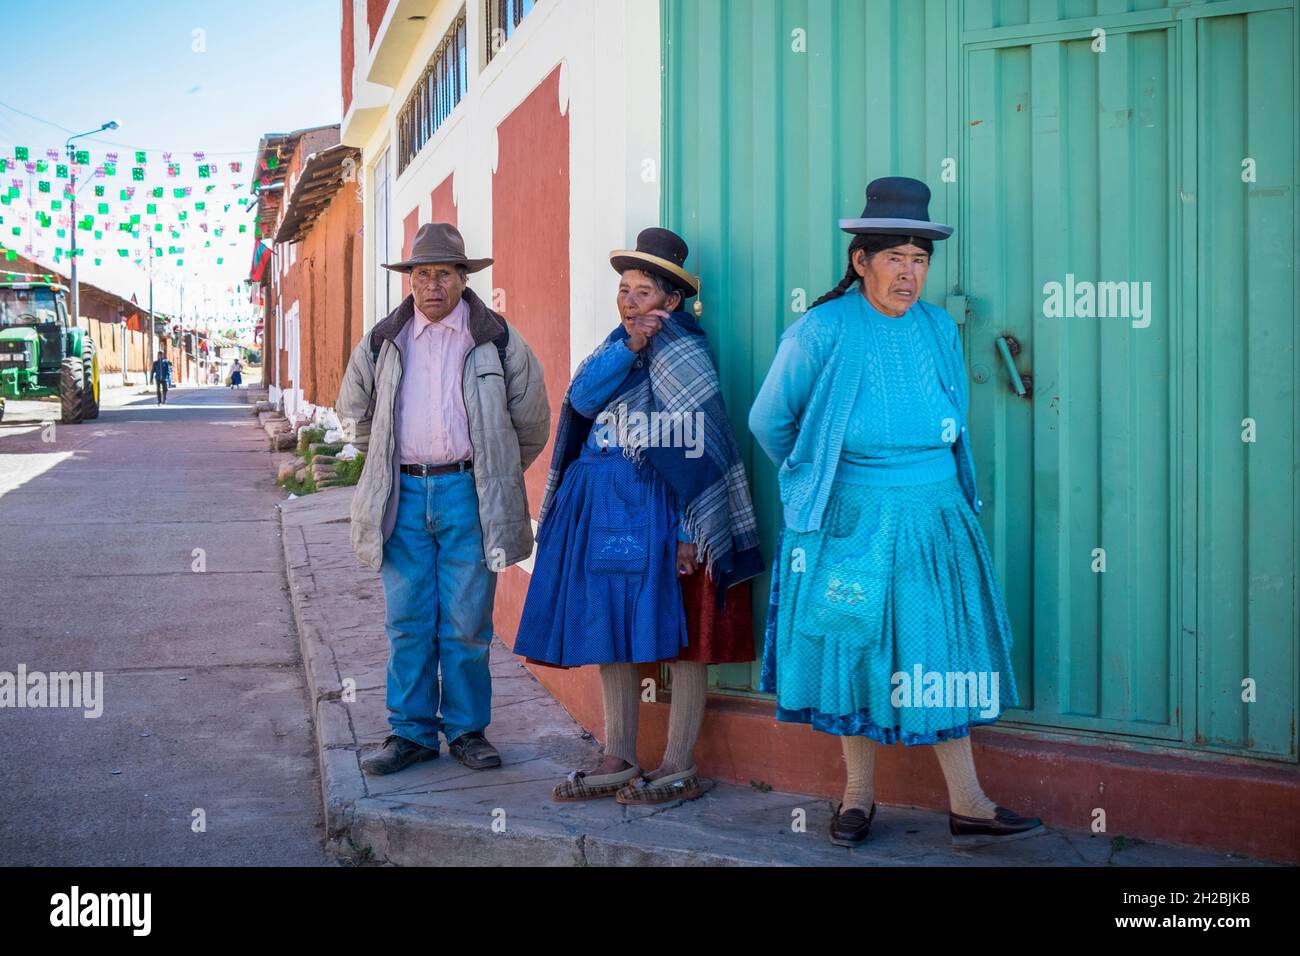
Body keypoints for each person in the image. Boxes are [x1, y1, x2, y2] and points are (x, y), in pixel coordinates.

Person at [749, 177, 1043, 848]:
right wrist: (824, 471)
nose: (909, 273)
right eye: (895, 258)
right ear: (861, 261)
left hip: (936, 517)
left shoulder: (938, 327)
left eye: (921, 259)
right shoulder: (822, 329)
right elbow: (769, 420)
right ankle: (856, 798)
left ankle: (969, 804)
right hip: (853, 519)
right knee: (855, 644)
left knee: (942, 649)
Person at [513, 228, 763, 805]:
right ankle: (618, 755)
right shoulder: (614, 347)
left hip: (659, 509)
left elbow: (699, 446)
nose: (629, 301)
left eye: (643, 291)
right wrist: (628, 346)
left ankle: (678, 764)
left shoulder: (684, 351)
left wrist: (689, 532)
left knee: (686, 632)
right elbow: (579, 400)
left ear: (671, 301)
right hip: (601, 507)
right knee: (610, 627)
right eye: (623, 290)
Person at [336, 223, 551, 775]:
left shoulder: (496, 338)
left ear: (463, 279)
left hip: (468, 493)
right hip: (401, 495)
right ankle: (410, 734)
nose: (433, 284)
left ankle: (466, 731)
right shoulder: (384, 340)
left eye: (444, 274)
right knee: (407, 620)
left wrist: (492, 471)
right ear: (410, 281)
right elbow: (354, 410)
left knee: (466, 622)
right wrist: (385, 463)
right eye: (422, 274)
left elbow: (531, 422)